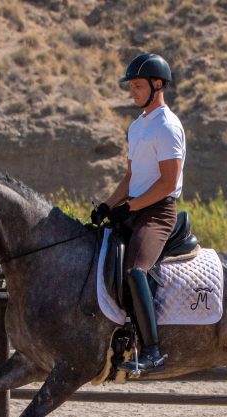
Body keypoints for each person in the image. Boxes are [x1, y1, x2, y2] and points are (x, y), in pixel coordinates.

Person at [90, 53, 186, 374]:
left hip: (158, 213)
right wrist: (108, 205)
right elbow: (131, 178)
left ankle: (153, 349)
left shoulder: (168, 127)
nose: (132, 91)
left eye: (137, 85)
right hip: (134, 208)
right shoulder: (137, 127)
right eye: (131, 85)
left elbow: (167, 183)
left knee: (135, 270)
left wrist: (130, 208)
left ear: (157, 85)